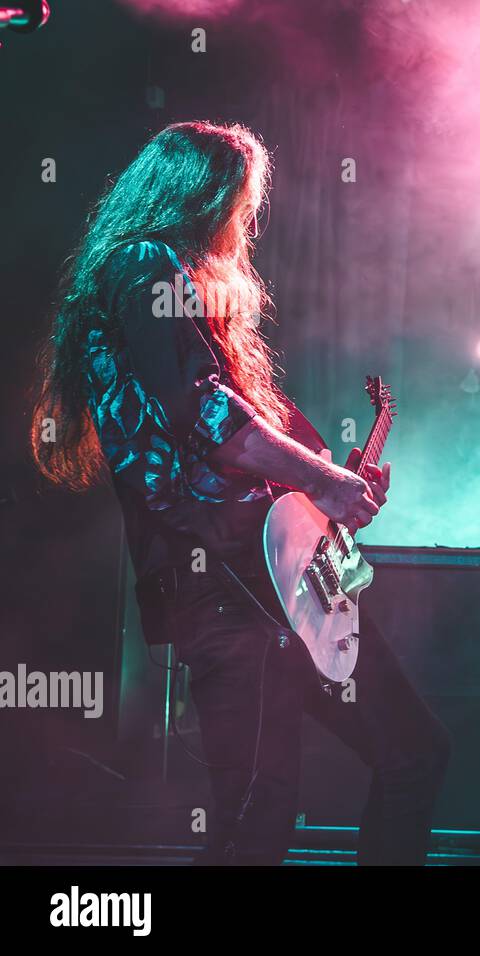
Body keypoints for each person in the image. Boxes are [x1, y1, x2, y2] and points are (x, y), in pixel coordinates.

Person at [30, 121, 451, 865]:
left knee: (404, 754)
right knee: (256, 813)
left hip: (274, 578)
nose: (245, 220)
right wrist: (326, 478)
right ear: (202, 193)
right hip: (221, 578)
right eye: (239, 199)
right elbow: (209, 414)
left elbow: (256, 425)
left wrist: (332, 478)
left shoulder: (191, 289)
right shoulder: (144, 265)